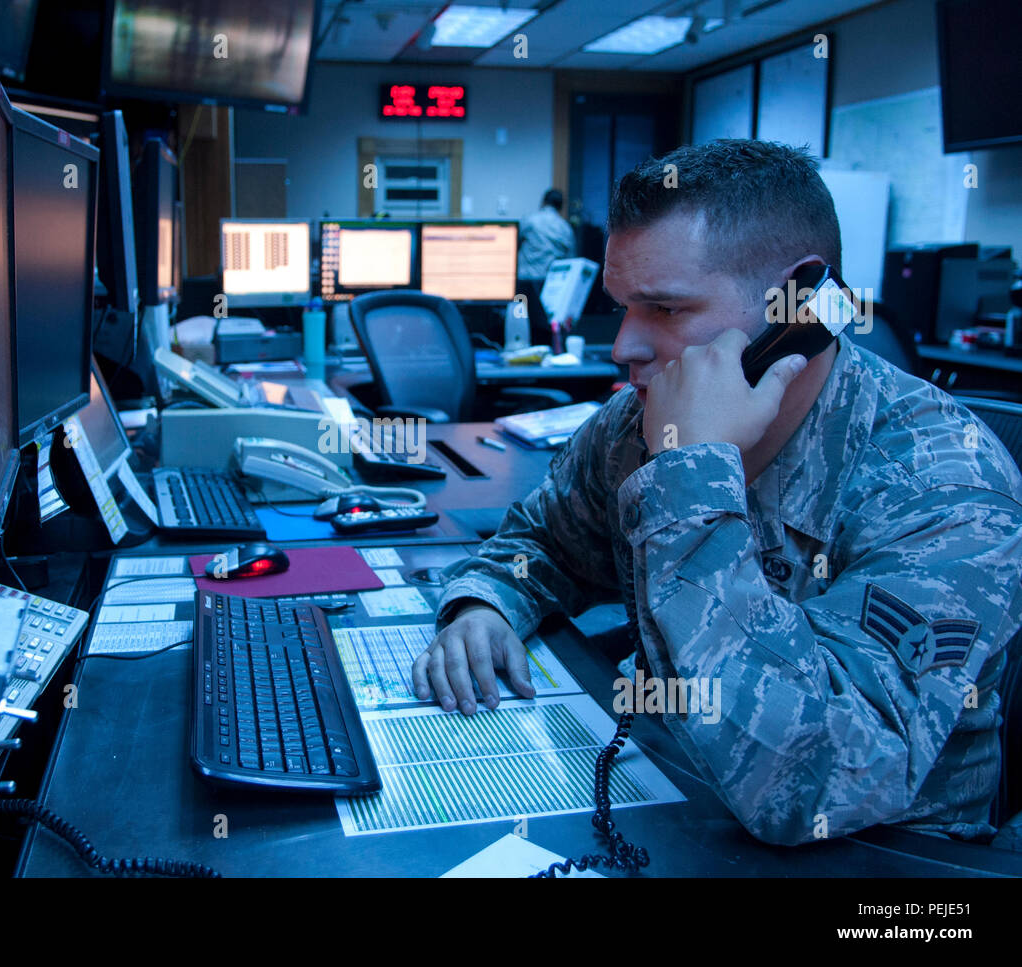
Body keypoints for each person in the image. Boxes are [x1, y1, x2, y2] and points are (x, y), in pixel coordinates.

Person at [412, 139, 1022, 847]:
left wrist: (690, 474)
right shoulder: (631, 427)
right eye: (623, 307)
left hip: (879, 865)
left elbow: (813, 777)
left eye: (665, 309)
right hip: (675, 798)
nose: (623, 347)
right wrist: (484, 605)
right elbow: (541, 541)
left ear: (799, 306)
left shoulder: (946, 484)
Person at [517, 188, 576, 346]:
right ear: (561, 206)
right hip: (551, 283)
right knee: (547, 325)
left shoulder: (530, 220)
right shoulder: (565, 228)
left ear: (543, 202)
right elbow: (570, 259)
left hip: (525, 281)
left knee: (522, 323)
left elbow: (515, 243)